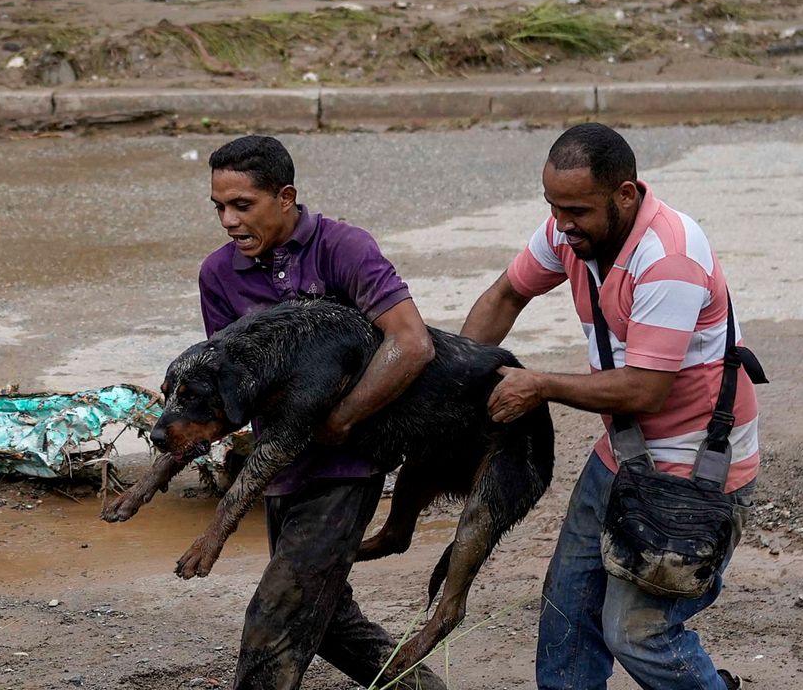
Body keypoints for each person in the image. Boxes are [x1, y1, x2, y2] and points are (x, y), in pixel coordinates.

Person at [461, 123, 760, 690]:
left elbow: (645, 390)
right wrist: (461, 381)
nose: (561, 224)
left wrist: (539, 383)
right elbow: (506, 294)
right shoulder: (571, 232)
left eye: (575, 210)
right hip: (626, 450)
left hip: (695, 467)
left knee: (637, 633)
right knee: (568, 612)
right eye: (553, 207)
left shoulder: (668, 257)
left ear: (625, 194)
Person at [198, 135, 440, 690]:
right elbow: (237, 382)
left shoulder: (344, 248)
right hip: (280, 469)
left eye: (242, 205)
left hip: (346, 468)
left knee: (273, 624)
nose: (228, 221)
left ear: (285, 197)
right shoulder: (217, 275)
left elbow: (412, 342)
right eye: (219, 207)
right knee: (327, 619)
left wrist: (341, 420)